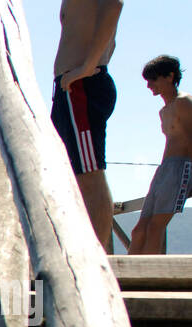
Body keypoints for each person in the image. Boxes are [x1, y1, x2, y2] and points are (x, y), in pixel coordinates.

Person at [51, 0, 124, 250]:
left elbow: (114, 5)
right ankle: (80, 252)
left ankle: (97, 259)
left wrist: (88, 66)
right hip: (71, 85)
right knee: (72, 176)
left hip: (81, 85)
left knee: (90, 174)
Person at [131, 56, 192, 255]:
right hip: (164, 168)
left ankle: (147, 279)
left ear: (170, 76)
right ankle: (125, 280)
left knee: (155, 227)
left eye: (153, 79)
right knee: (139, 230)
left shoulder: (184, 102)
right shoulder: (164, 111)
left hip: (182, 167)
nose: (149, 85)